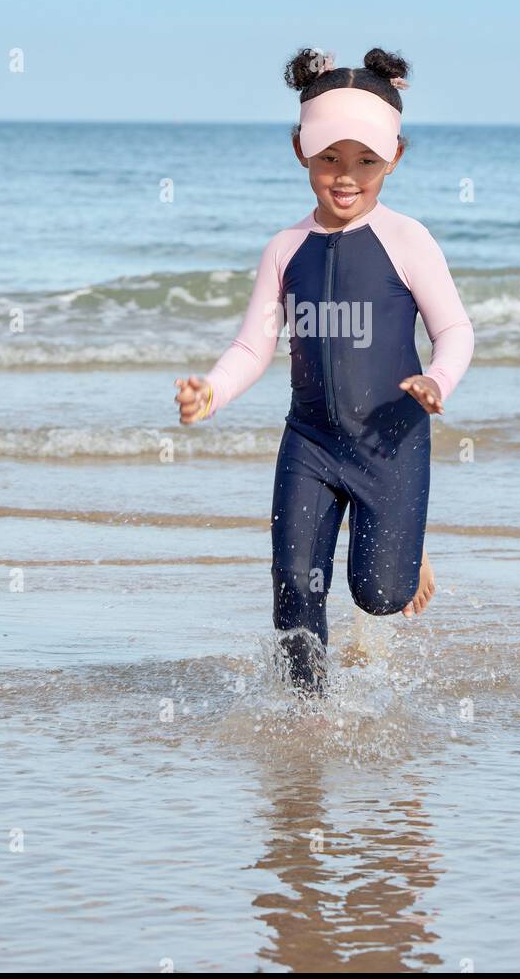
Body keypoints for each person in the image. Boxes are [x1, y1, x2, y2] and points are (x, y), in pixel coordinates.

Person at [176, 47, 475, 692]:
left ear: (394, 156)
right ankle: (303, 716)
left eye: (366, 160)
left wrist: (437, 381)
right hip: (309, 443)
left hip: (388, 447)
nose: (347, 176)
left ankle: (405, 536)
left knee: (379, 595)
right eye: (330, 158)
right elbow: (254, 345)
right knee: (294, 582)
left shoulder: (408, 240)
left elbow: (454, 330)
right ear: (300, 151)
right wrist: (214, 390)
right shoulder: (284, 250)